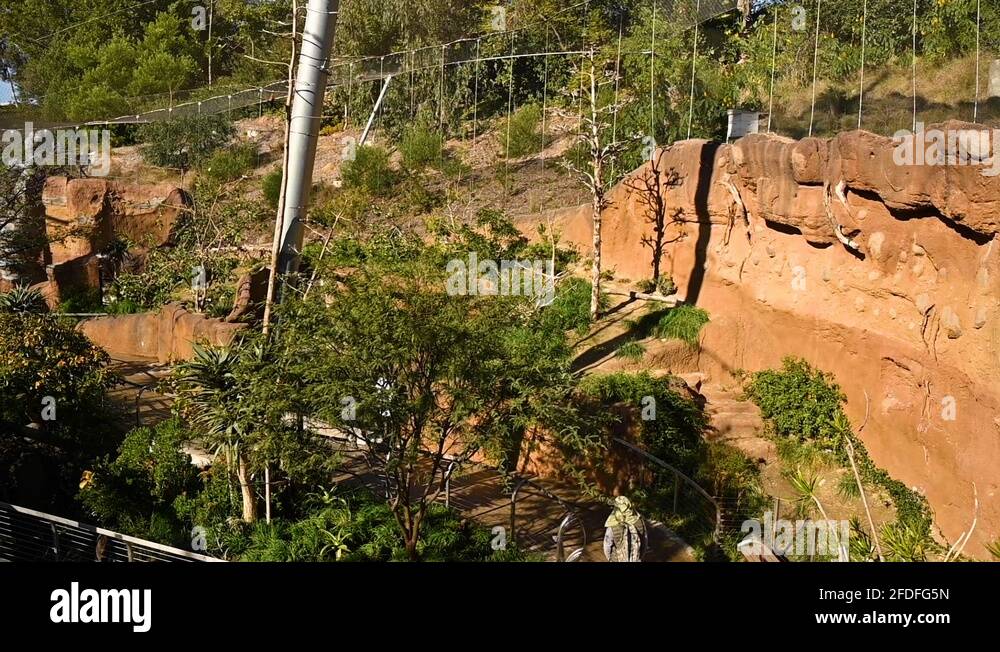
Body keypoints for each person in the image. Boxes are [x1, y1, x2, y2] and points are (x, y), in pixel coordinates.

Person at [603, 496, 646, 562]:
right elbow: (644, 541)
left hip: (617, 559)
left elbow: (607, 546)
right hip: (635, 558)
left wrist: (610, 559)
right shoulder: (639, 521)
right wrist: (640, 556)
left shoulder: (612, 524)